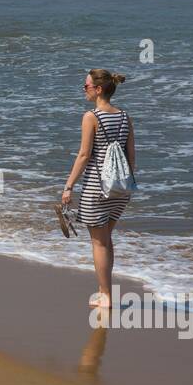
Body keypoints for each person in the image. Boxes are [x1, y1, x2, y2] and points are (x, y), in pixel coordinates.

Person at [61, 69, 136, 309]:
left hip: (97, 188)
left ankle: (105, 296)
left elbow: (84, 155)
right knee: (106, 240)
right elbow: (131, 156)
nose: (84, 90)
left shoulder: (91, 117)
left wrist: (69, 186)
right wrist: (127, 185)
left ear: (99, 89)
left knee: (99, 243)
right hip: (121, 188)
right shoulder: (124, 116)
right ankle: (105, 292)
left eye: (86, 86)